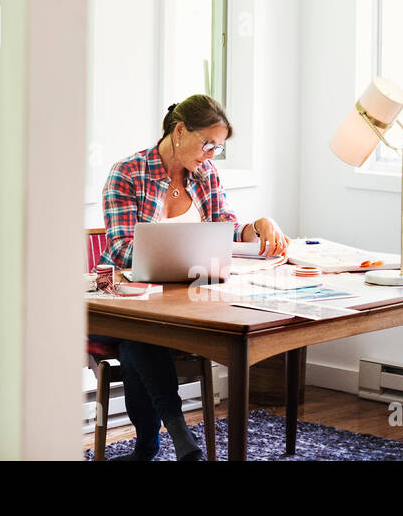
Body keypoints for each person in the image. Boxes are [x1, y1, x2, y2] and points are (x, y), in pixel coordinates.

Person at [92, 94, 288, 460]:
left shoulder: (205, 175)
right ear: (180, 131)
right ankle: (183, 442)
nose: (211, 155)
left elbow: (226, 228)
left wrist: (257, 228)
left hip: (177, 307)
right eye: (208, 144)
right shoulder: (128, 172)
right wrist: (183, 256)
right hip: (114, 303)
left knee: (140, 341)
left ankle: (149, 448)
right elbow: (119, 249)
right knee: (140, 331)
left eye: (218, 148)